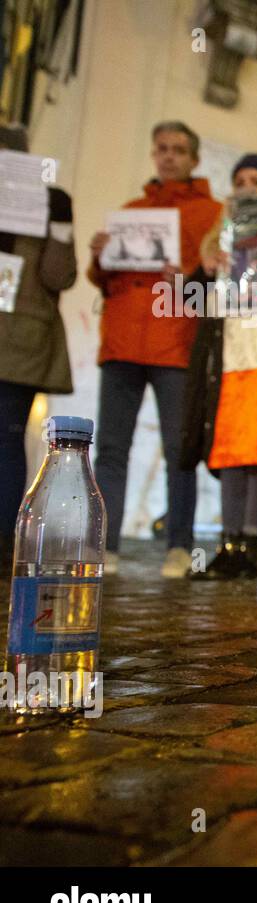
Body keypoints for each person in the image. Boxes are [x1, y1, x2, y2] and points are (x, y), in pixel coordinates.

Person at [87, 121, 223, 577]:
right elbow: (105, 283)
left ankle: (180, 547)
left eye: (178, 150)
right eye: (161, 148)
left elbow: (214, 290)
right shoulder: (131, 209)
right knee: (110, 450)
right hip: (123, 341)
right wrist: (100, 254)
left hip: (175, 343)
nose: (168, 156)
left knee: (177, 449)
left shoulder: (213, 214)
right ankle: (104, 547)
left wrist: (186, 285)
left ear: (194, 159)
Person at [180, 154, 257, 580]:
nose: (247, 187)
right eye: (240, 180)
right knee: (230, 452)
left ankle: (250, 548)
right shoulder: (217, 240)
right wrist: (204, 270)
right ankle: (229, 546)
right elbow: (189, 302)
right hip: (229, 364)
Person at [0, 125, 77, 573]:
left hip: (22, 341)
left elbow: (59, 277)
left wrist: (61, 224)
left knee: (8, 440)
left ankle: (2, 542)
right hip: (25, 338)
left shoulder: (47, 207)